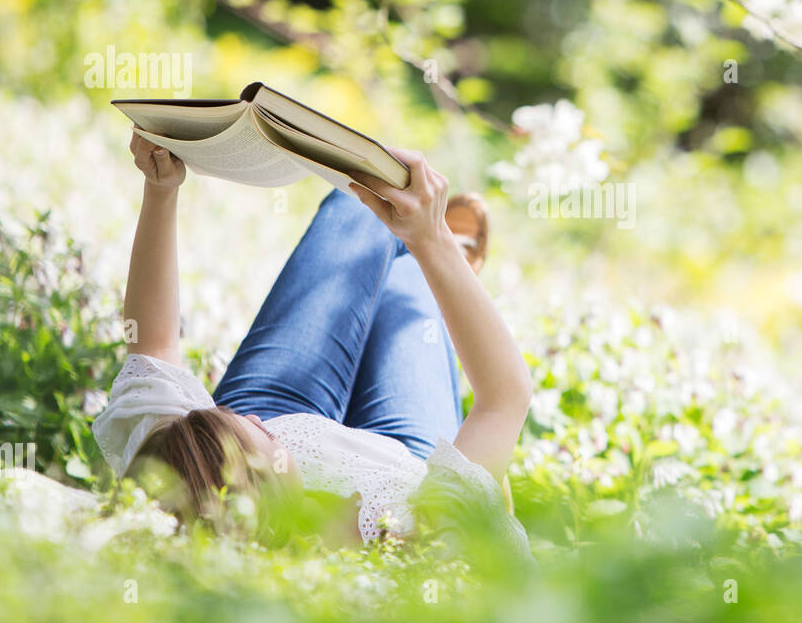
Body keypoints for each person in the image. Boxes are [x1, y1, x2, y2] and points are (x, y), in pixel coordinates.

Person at [92, 133, 534, 562]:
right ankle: (435, 261)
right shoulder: (421, 535)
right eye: (248, 428)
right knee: (409, 285)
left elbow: (152, 345)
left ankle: (423, 258)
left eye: (227, 417)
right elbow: (504, 399)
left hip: (284, 423)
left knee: (359, 203)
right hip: (410, 468)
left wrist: (160, 188)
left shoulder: (182, 478)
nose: (246, 416)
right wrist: (432, 239)